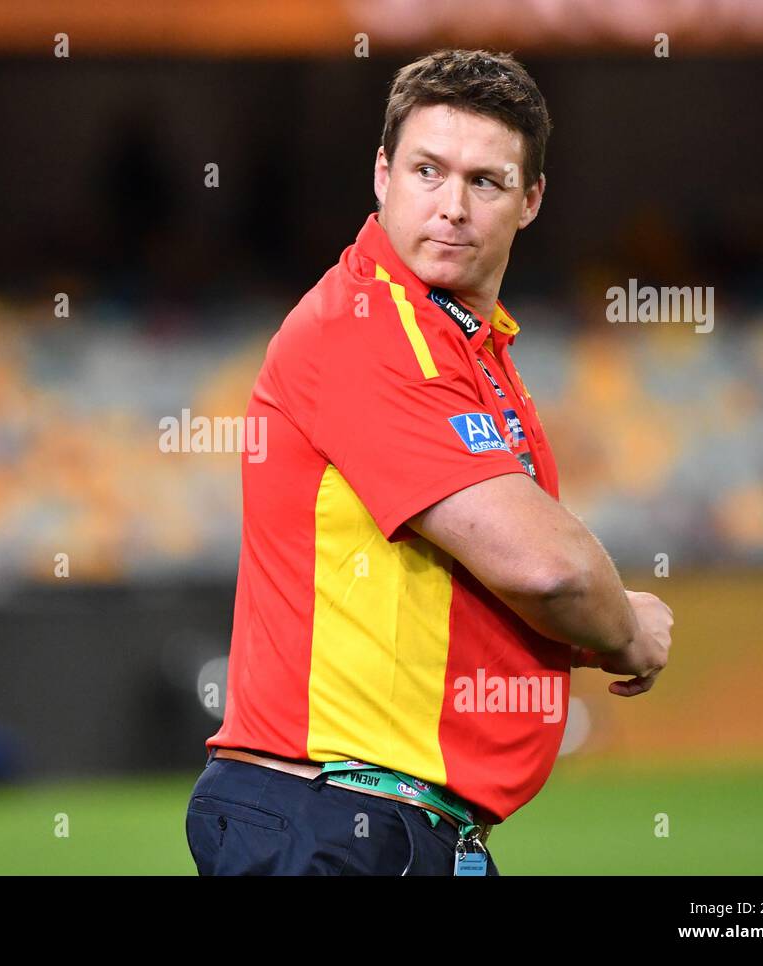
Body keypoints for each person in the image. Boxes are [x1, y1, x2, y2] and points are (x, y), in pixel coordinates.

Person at [186, 49, 674, 876]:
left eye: (485, 182)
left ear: (532, 202)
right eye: (427, 170)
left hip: (377, 821)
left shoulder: (463, 346)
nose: (451, 207)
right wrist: (625, 631)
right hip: (334, 818)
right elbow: (545, 567)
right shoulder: (371, 328)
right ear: (381, 175)